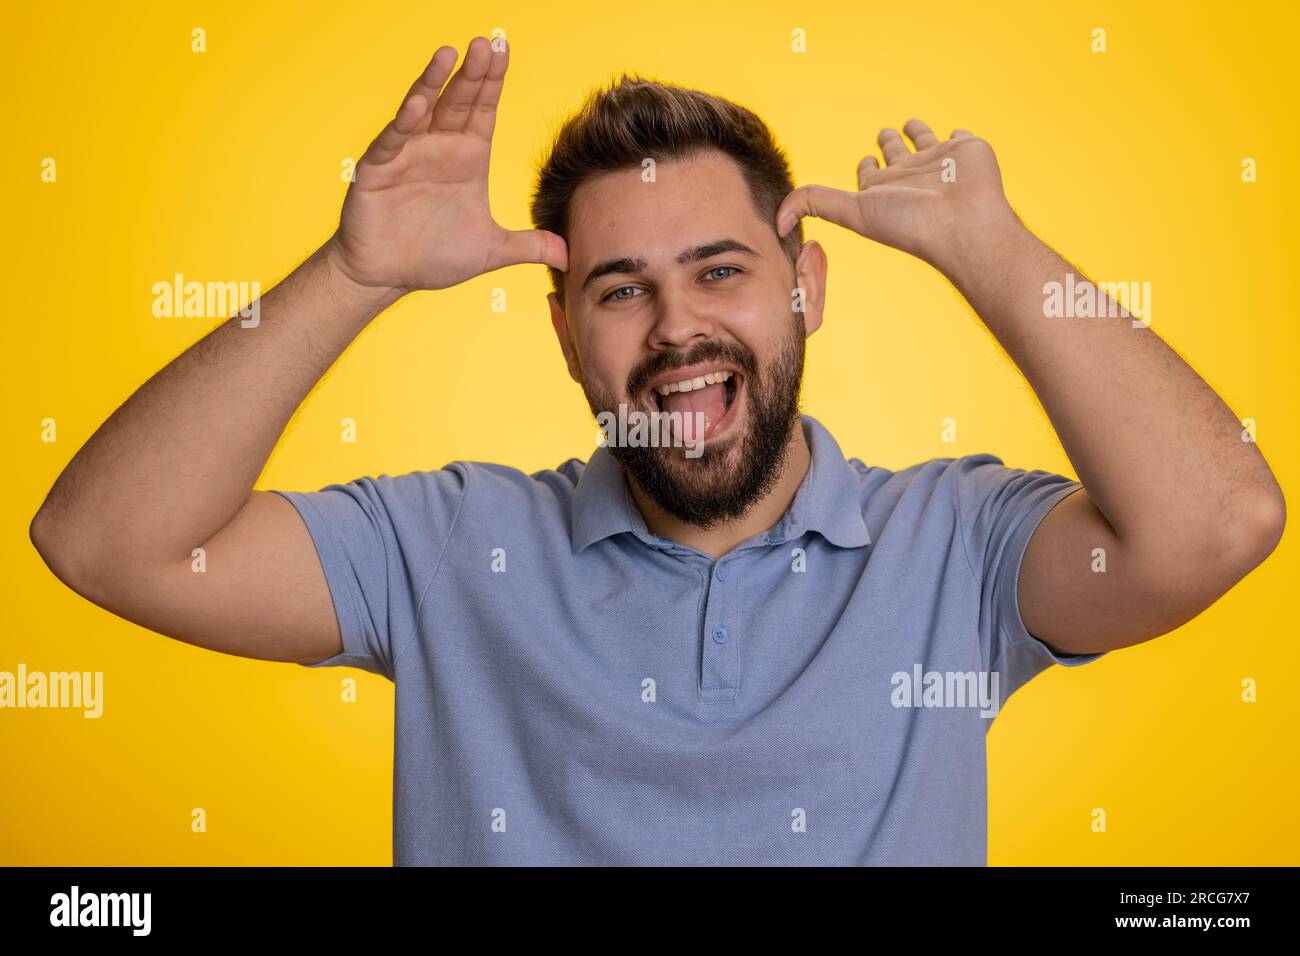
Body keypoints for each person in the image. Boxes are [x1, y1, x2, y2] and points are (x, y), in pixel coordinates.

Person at [30, 36, 1285, 865]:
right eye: (620, 289)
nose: (679, 326)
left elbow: (1214, 524)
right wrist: (354, 272)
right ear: (567, 336)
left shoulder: (953, 548)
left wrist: (992, 250)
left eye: (722, 271)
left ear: (807, 291)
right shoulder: (448, 549)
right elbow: (105, 543)